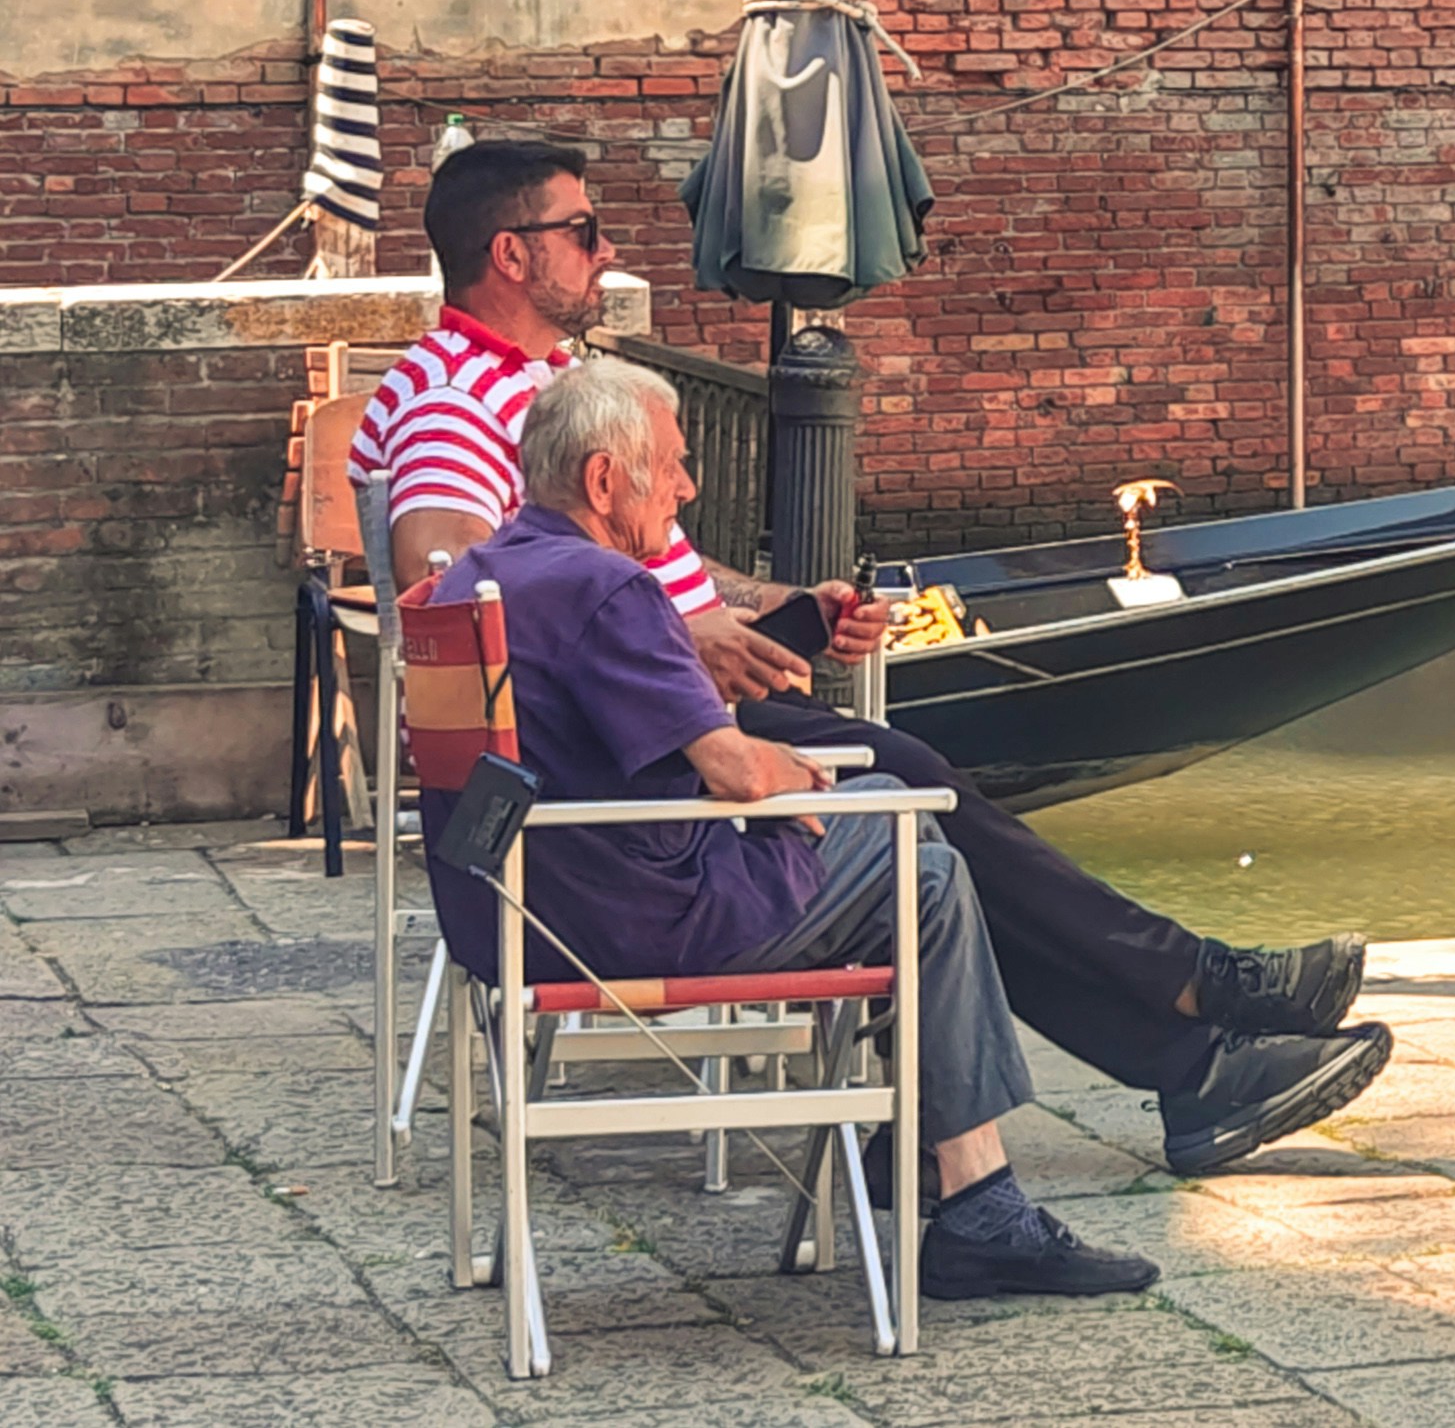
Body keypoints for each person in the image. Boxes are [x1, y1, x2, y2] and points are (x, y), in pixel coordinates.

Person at [356, 135, 1394, 1177]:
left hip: (654, 700)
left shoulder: (551, 381)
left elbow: (654, 566)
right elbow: (451, 593)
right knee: (917, 801)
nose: (608, 246)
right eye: (582, 230)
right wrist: (674, 641)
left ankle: (1191, 1045)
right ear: (512, 253)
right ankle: (1193, 1006)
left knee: (921, 788)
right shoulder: (454, 402)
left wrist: (775, 607)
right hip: (628, 756)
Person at [432, 360, 1158, 1300]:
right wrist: (790, 773)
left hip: (518, 909)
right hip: (638, 912)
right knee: (924, 863)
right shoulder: (613, 588)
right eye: (674, 465)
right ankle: (977, 1198)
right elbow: (733, 764)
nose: (688, 487)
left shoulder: (476, 577)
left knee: (908, 850)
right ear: (606, 480)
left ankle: (948, 1158)